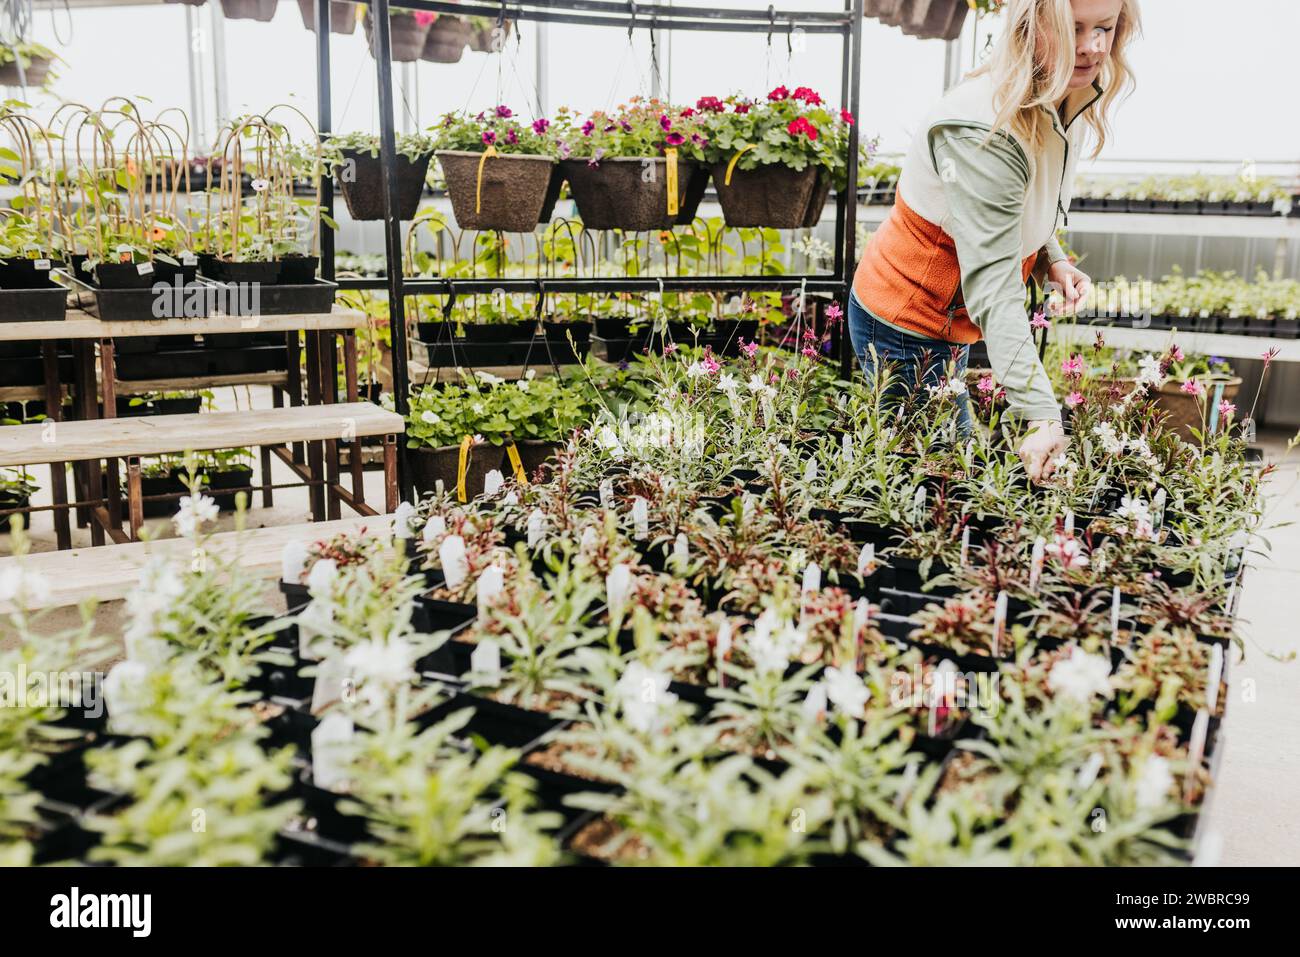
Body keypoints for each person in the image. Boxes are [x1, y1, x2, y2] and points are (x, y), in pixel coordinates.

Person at [849, 0, 1139, 481]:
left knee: (938, 474)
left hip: (949, 317)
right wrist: (1042, 415)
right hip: (905, 320)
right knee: (942, 481)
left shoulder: (1067, 89)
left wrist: (1053, 260)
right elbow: (993, 286)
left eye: (1105, 28)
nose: (1092, 47)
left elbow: (1025, 204)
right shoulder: (981, 127)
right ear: (1032, 25)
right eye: (1075, 28)